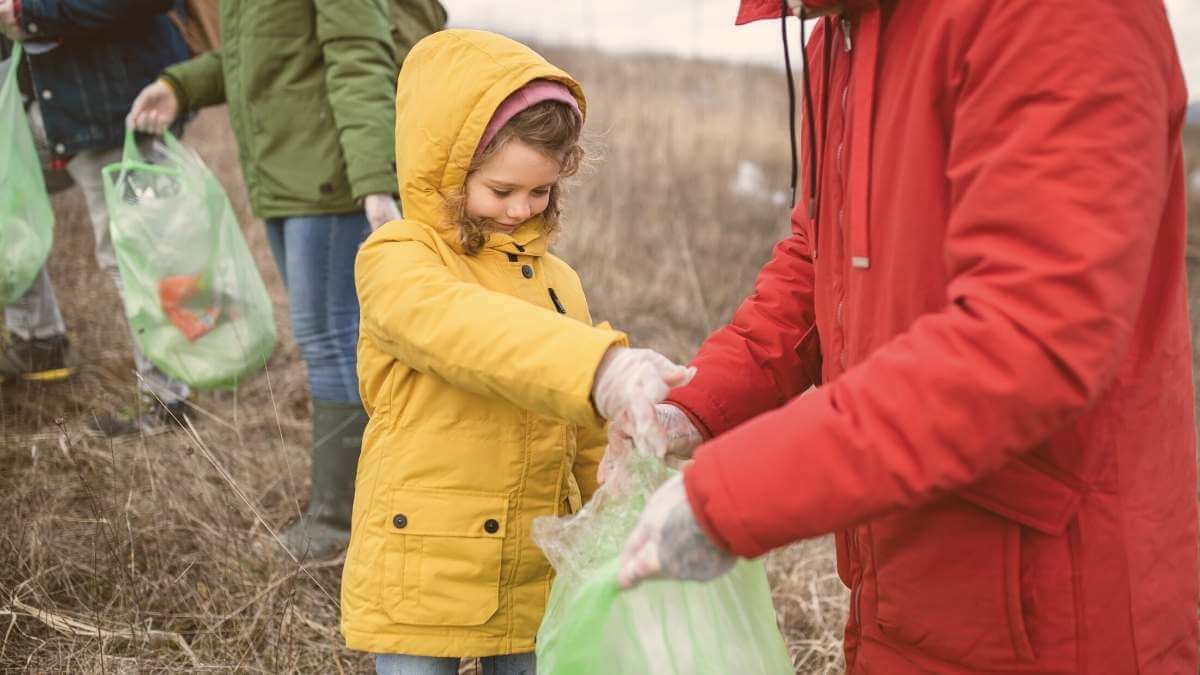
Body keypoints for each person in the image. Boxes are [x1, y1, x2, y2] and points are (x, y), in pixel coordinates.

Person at [616, 1, 1199, 673]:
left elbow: (1030, 337)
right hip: (900, 583)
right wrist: (693, 405)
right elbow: (819, 259)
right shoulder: (842, 33)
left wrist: (736, 494)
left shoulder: (1059, 14)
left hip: (1054, 610)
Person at [339, 29, 693, 675]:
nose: (521, 210)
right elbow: (468, 331)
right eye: (501, 191)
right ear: (445, 164)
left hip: (531, 570)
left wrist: (617, 497)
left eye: (540, 193)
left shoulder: (560, 281)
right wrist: (598, 367)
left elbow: (582, 429)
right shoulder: (398, 259)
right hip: (424, 559)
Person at [127, 0, 444, 560]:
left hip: (332, 174)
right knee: (332, 339)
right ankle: (372, 501)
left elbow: (358, 58)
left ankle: (338, 525)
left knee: (332, 341)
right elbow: (257, 56)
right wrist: (180, 86)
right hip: (287, 173)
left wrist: (373, 180)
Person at [0, 0, 190, 421]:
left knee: (130, 251)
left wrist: (28, 13)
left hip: (113, 103)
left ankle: (166, 400)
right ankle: (38, 340)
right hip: (37, 105)